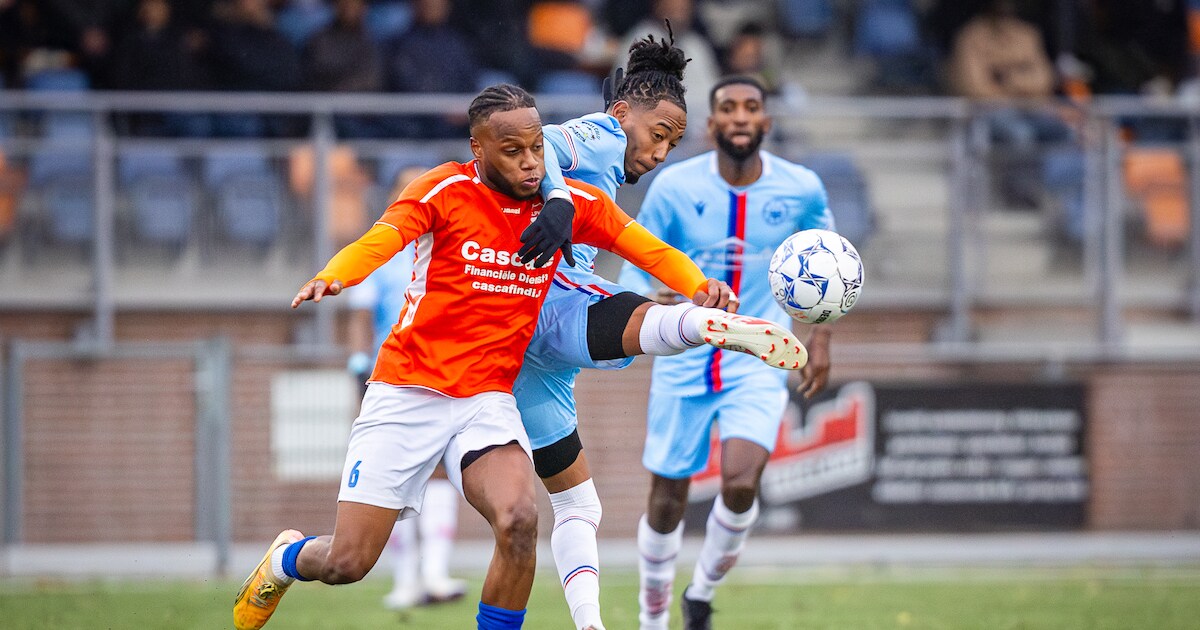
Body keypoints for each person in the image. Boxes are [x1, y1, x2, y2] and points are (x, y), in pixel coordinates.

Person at [232, 83, 740, 630]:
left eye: (536, 150)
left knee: (520, 519)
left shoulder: (564, 206)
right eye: (513, 151)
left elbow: (648, 249)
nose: (529, 163)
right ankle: (287, 557)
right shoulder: (445, 188)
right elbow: (381, 239)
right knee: (347, 563)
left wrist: (700, 285)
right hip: (408, 390)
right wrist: (333, 275)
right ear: (479, 149)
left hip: (485, 400)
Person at [511, 32, 808, 630]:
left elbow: (637, 243)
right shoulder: (599, 133)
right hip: (539, 305)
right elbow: (531, 139)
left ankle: (592, 626)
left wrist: (695, 282)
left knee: (572, 504)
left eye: (672, 143)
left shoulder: (612, 165)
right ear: (623, 113)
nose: (661, 153)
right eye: (658, 135)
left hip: (526, 361)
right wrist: (561, 198)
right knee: (620, 309)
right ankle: (703, 326)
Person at [617, 76, 834, 630]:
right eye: (727, 109)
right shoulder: (672, 187)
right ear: (712, 126)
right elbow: (634, 264)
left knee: (740, 482)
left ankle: (703, 591)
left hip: (758, 358)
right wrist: (651, 294)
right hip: (684, 360)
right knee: (667, 496)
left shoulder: (802, 188)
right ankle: (652, 614)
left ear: (766, 121)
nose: (739, 117)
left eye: (751, 107)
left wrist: (822, 338)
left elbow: (829, 267)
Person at [344, 166, 466, 611]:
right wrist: (359, 373)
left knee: (436, 476)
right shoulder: (384, 253)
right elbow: (360, 321)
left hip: (442, 380)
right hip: (391, 383)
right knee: (389, 480)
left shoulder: (454, 247)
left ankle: (434, 573)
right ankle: (405, 580)